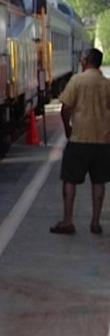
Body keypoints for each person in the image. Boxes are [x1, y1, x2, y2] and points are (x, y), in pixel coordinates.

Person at [50, 47, 110, 235]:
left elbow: (65, 108)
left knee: (70, 179)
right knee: (99, 181)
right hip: (102, 140)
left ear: (85, 61)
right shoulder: (107, 84)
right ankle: (95, 222)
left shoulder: (77, 81)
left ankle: (68, 221)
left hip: (79, 139)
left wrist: (68, 129)